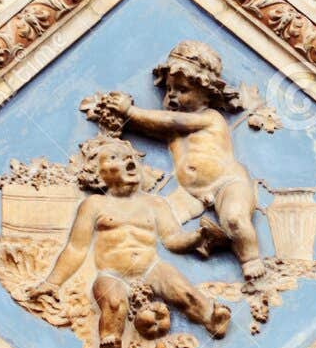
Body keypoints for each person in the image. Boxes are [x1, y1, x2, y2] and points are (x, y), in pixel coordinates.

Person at [28, 136, 231, 348]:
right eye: (115, 158)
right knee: (113, 302)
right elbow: (76, 249)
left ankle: (211, 317)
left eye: (130, 157)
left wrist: (198, 237)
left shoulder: (155, 204)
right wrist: (52, 283)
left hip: (151, 268)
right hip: (112, 274)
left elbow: (172, 239)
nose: (128, 162)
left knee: (180, 287)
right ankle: (111, 337)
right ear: (98, 173)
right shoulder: (94, 205)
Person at [82, 39, 266, 280]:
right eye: (169, 89)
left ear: (206, 93)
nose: (172, 96)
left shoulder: (209, 118)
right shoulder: (173, 128)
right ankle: (205, 240)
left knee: (234, 218)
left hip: (227, 184)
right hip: (191, 193)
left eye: (182, 90)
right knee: (157, 225)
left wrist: (130, 112)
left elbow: (168, 121)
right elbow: (153, 126)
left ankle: (250, 260)